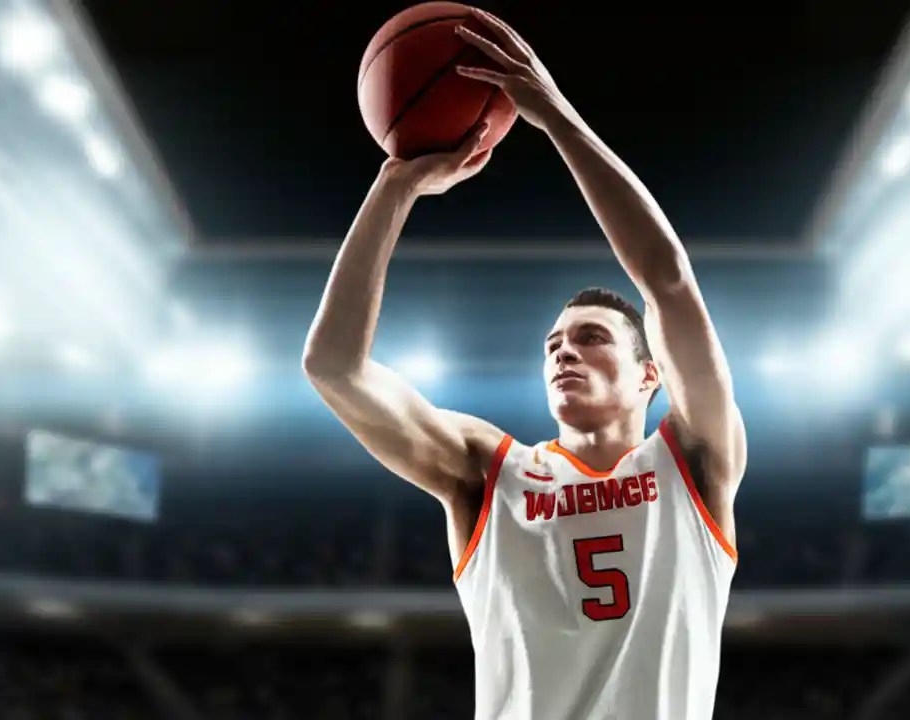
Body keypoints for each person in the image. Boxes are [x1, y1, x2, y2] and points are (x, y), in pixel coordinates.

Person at [302, 9, 746, 719]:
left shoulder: (694, 461)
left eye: (593, 337)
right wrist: (395, 187)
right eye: (554, 345)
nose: (565, 350)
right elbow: (333, 366)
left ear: (648, 375)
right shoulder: (489, 470)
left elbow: (666, 278)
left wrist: (558, 118)